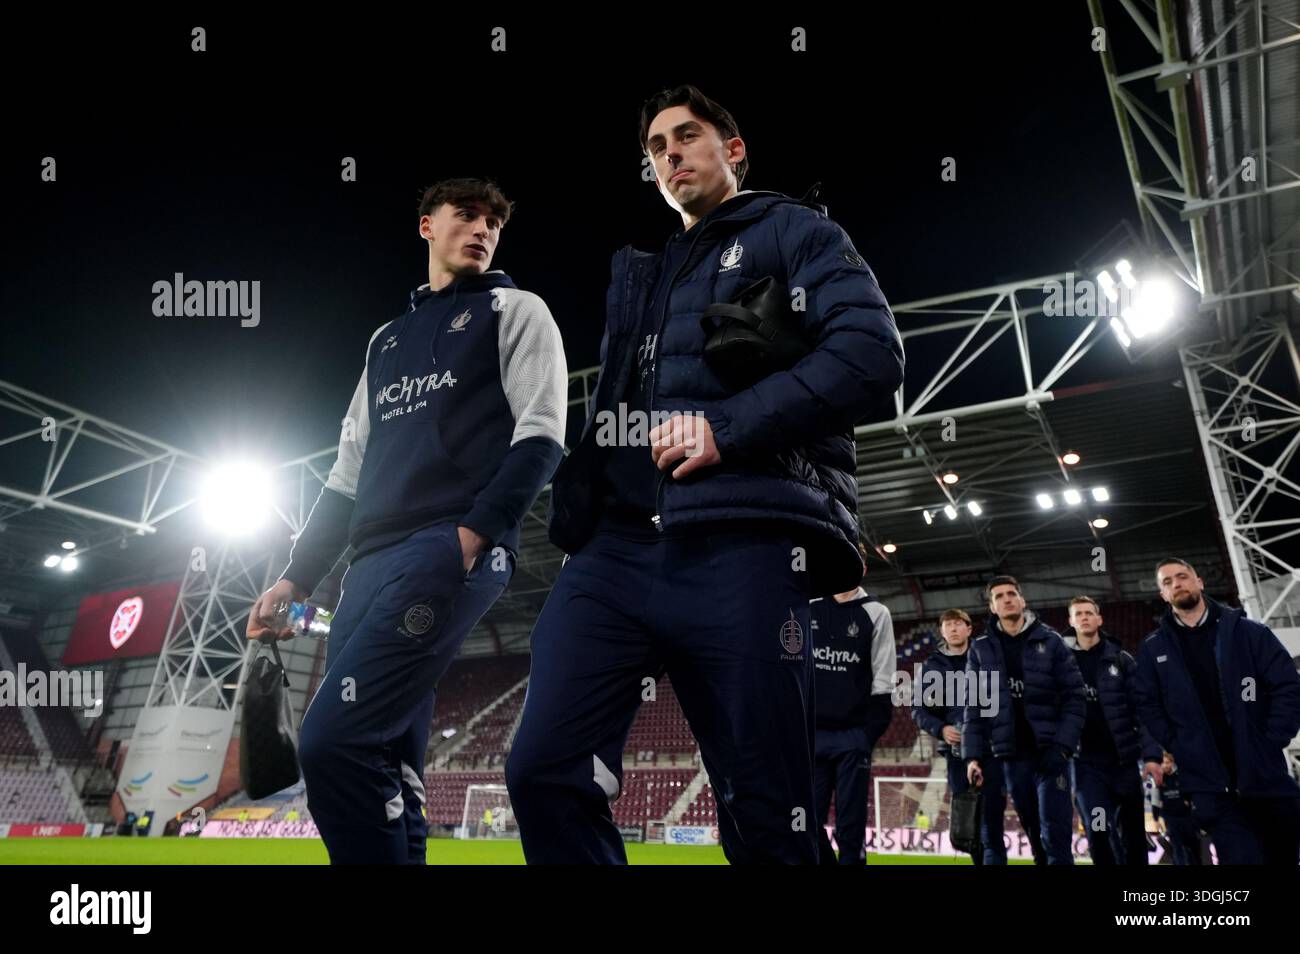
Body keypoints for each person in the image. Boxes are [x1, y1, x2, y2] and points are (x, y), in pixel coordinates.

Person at [505, 84, 905, 864]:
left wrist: (728, 428)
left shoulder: (794, 231)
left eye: (687, 136)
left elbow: (873, 357)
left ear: (734, 149)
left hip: (743, 544)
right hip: (614, 554)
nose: (671, 154)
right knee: (541, 769)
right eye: (656, 147)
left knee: (768, 813)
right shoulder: (643, 276)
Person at [246, 177, 568, 864]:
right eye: (466, 216)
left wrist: (472, 536)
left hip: (445, 547)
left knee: (332, 740)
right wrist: (294, 582)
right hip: (367, 567)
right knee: (393, 765)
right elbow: (345, 474)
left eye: (493, 222)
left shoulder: (516, 309)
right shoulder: (386, 341)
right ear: (427, 226)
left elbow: (542, 436)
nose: (482, 229)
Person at [1133, 557, 1300, 864]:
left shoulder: (1249, 633)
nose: (1176, 584)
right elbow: (1146, 705)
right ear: (1162, 595)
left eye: (1182, 576)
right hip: (1210, 787)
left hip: (1266, 776)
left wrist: (1272, 737)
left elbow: (1287, 685)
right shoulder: (1154, 649)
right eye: (1167, 582)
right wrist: (1180, 745)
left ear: (1199, 582)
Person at [963, 576, 1085, 865]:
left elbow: (1074, 697)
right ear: (992, 607)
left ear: (1022, 600)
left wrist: (1063, 746)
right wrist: (972, 756)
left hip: (1051, 752)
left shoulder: (1051, 640)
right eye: (999, 596)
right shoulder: (980, 648)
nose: (1006, 599)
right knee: (1033, 829)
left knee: (1056, 831)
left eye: (1011, 594)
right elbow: (973, 705)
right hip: (1012, 754)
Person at [810, 549, 897, 864]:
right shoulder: (809, 606)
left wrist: (866, 736)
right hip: (812, 736)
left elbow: (884, 680)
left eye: (852, 562)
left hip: (852, 737)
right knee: (804, 822)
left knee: (851, 826)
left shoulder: (876, 612)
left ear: (862, 568)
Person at [1062, 595, 1161, 865]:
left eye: (1088, 612)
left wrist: (1152, 757)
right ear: (1071, 621)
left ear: (1099, 619)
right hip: (1086, 766)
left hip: (1124, 763)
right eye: (1078, 614)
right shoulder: (1061, 663)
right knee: (1099, 830)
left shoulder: (1121, 659)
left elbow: (1143, 710)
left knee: (1133, 837)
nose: (1084, 617)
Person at [912, 608, 982, 863]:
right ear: (942, 631)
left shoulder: (986, 656)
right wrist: (940, 729)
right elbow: (918, 709)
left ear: (969, 628)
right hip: (955, 752)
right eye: (948, 625)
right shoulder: (931, 665)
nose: (953, 628)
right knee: (969, 818)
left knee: (990, 815)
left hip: (990, 747)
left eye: (958, 623)